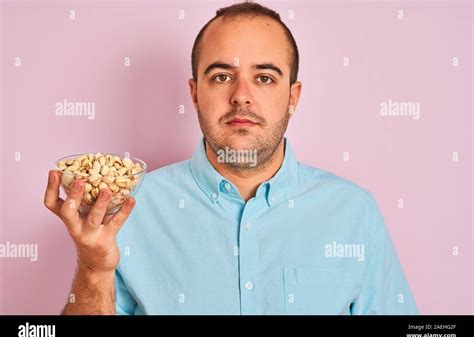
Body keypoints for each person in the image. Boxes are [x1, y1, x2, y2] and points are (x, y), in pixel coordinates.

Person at [44, 1, 418, 315]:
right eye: (222, 76)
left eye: (265, 78)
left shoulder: (354, 213)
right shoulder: (126, 211)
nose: (241, 95)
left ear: (293, 96)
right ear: (194, 93)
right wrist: (93, 270)